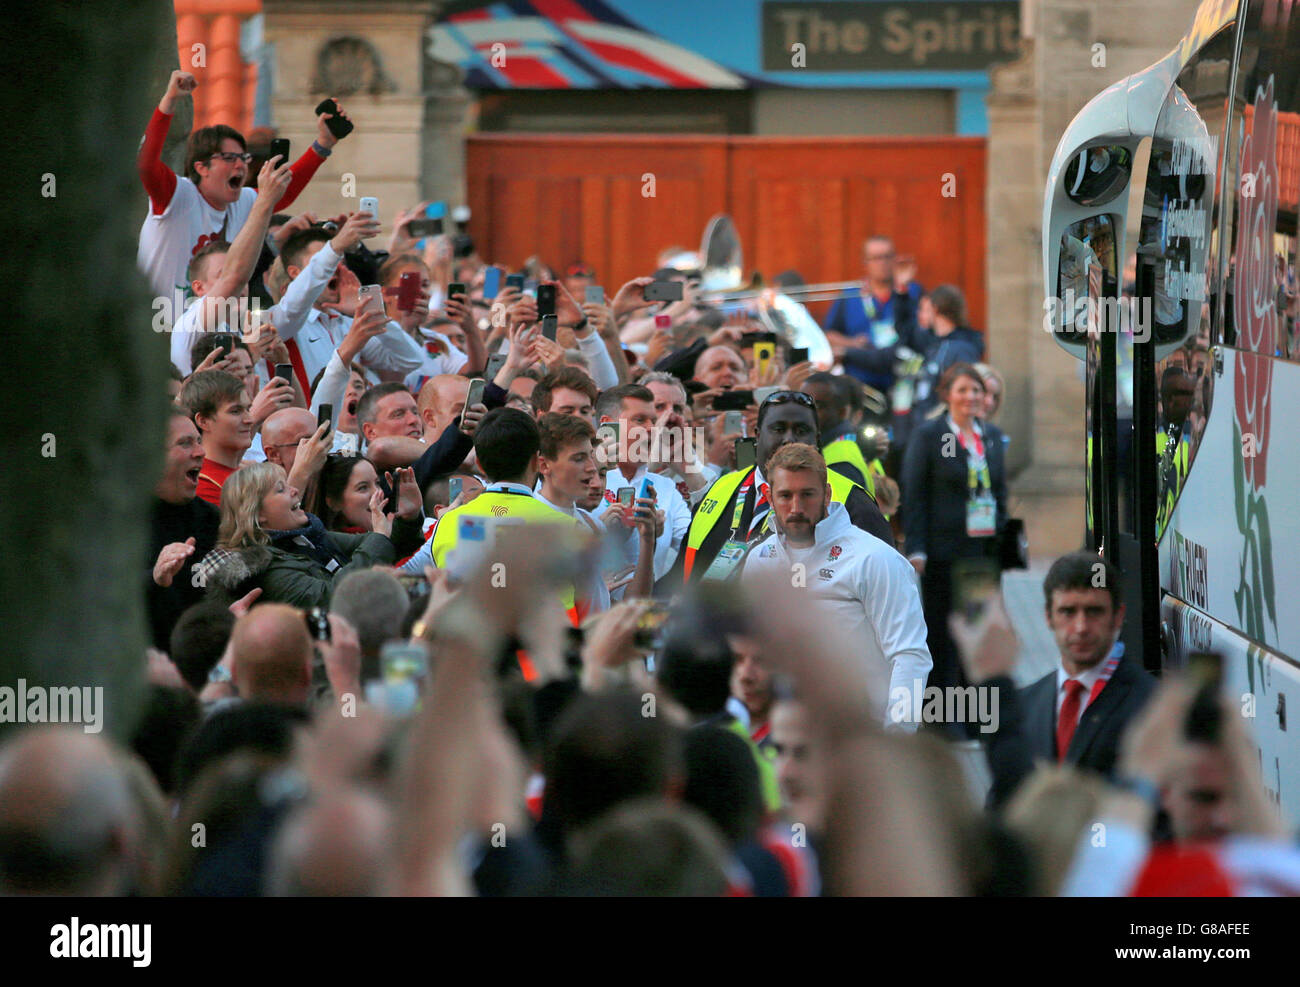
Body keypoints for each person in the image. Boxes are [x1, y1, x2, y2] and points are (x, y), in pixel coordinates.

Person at [740, 444, 931, 731]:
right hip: (783, 740)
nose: (796, 508)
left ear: (827, 494)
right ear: (768, 496)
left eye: (807, 494)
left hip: (859, 738)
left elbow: (909, 655)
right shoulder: (760, 559)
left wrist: (897, 738)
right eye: (785, 496)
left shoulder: (874, 558)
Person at [956, 552, 1157, 808]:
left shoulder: (1151, 706)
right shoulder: (1025, 704)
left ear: (1117, 617)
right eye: (1068, 612)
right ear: (1048, 617)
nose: (1081, 626)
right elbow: (1003, 806)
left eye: (1094, 611)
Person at [137, 69, 347, 299]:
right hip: (157, 323)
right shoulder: (178, 194)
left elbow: (282, 192)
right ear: (201, 168)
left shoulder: (243, 201)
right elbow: (146, 164)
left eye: (243, 158)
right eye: (229, 158)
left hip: (209, 325)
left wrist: (323, 144)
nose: (241, 165)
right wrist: (169, 101)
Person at [677, 389, 892, 585]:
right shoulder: (722, 487)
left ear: (816, 439)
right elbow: (681, 573)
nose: (789, 439)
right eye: (778, 429)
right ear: (758, 435)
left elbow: (884, 590)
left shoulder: (851, 502)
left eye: (801, 430)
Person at [901, 363, 1008, 710]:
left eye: (976, 390)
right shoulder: (930, 436)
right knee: (943, 638)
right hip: (942, 553)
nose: (970, 397)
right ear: (946, 395)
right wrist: (916, 546)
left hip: (981, 553)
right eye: (962, 390)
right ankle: (941, 716)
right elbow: (914, 494)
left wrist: (1004, 539)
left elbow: (1000, 491)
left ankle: (976, 713)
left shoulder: (990, 436)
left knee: (978, 636)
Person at [196, 461, 423, 609]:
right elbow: (333, 597)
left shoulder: (306, 538)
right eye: (281, 489)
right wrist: (379, 536)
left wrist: (409, 516)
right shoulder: (266, 570)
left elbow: (385, 547)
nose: (295, 490)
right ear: (257, 514)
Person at [589, 384, 691, 584]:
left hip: (648, 610)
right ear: (608, 427)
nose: (652, 429)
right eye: (639, 420)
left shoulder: (664, 487)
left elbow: (697, 546)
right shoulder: (580, 481)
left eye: (653, 421)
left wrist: (692, 474)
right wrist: (600, 531)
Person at [148, 408, 221, 649]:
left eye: (199, 441)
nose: (201, 452)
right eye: (185, 443)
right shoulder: (118, 524)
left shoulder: (212, 519)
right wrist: (156, 578)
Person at [825, 236, 922, 394]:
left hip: (903, 382)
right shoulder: (851, 295)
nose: (882, 263)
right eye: (876, 258)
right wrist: (851, 343)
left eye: (887, 257)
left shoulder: (911, 292)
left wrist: (902, 288)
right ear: (865, 263)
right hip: (860, 383)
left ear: (895, 260)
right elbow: (829, 335)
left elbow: (922, 333)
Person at [180, 370, 255, 507]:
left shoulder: (247, 473)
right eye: (235, 411)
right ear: (203, 421)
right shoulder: (200, 484)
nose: (249, 420)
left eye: (248, 409)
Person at [310, 455, 386, 533]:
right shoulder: (331, 544)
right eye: (363, 487)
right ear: (334, 503)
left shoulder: (387, 531)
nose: (377, 493)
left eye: (377, 483)